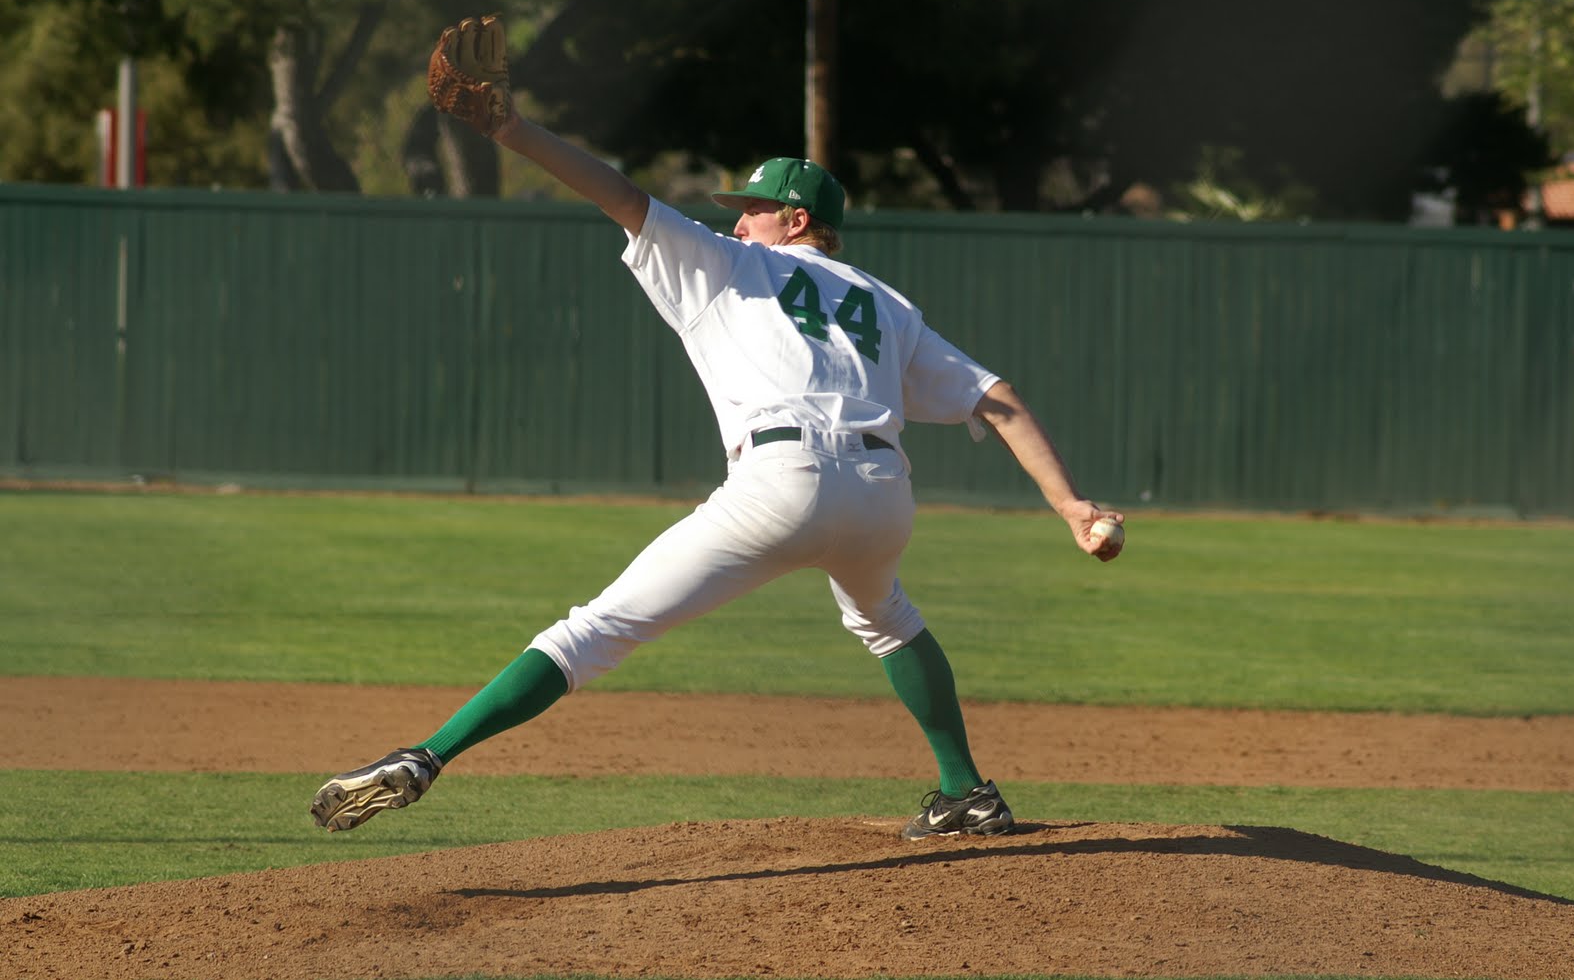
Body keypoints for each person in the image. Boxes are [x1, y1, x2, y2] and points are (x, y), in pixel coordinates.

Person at [310, 47, 1124, 841]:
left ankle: (426, 756)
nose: (736, 218)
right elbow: (1000, 400)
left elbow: (620, 195)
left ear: (796, 221)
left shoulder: (730, 264)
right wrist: (1073, 507)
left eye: (753, 207)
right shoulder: (886, 303)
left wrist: (511, 129)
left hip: (783, 479)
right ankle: (966, 793)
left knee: (593, 632)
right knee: (888, 620)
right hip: (883, 492)